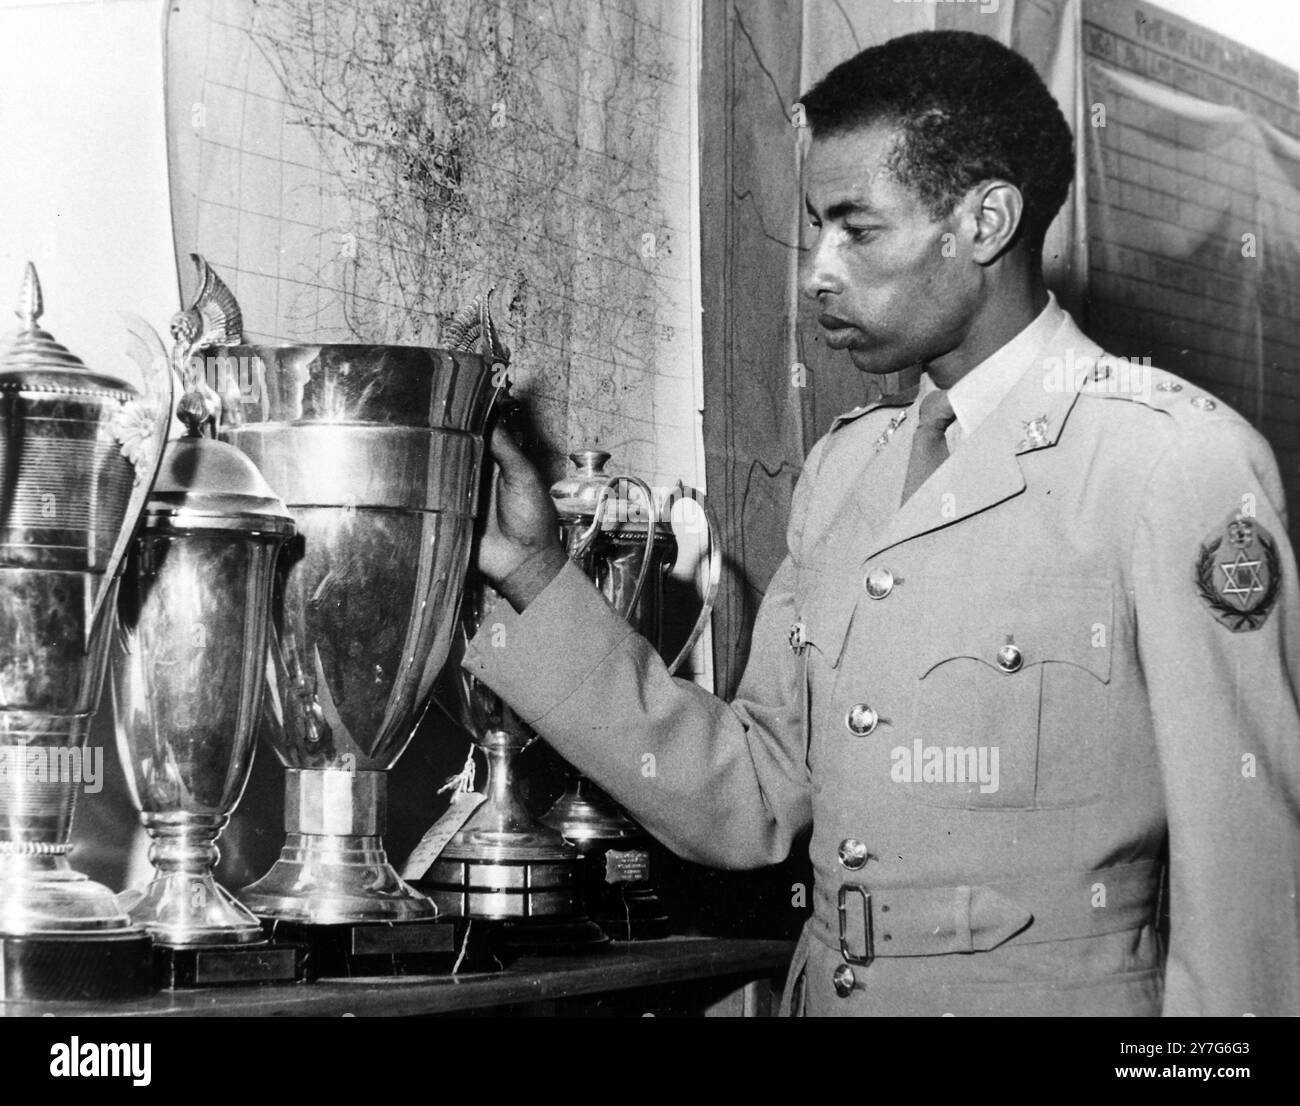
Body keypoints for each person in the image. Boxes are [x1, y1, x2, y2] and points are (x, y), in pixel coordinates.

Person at [464, 30, 1300, 1016]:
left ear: (985, 219)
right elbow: (753, 798)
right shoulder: (843, 468)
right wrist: (533, 572)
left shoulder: (1175, 462)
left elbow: (1249, 903)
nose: (817, 272)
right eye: (814, 228)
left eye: (856, 230)